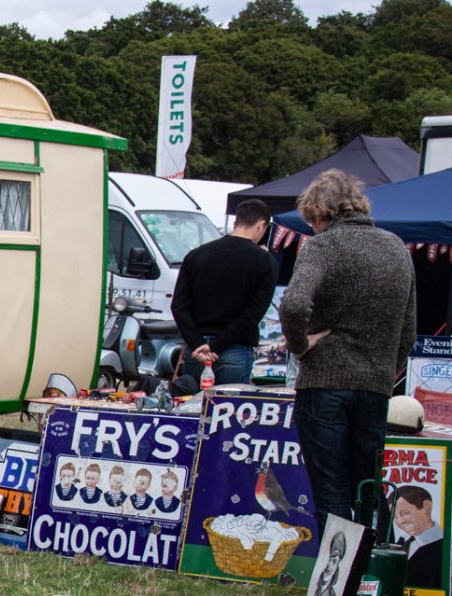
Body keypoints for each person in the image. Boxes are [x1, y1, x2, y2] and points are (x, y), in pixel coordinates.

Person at [279, 170, 416, 532]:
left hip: (324, 381)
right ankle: (374, 573)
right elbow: (408, 328)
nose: (313, 229)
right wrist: (385, 368)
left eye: (313, 222)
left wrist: (300, 346)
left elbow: (293, 305)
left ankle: (339, 581)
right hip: (375, 384)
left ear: (319, 213)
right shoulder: (396, 248)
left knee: (332, 491)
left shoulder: (322, 247)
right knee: (370, 487)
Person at [172, 198, 275, 386]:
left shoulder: (196, 255)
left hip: (196, 348)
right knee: (228, 410)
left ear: (235, 222)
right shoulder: (263, 261)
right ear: (261, 225)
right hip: (234, 348)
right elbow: (253, 314)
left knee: (191, 409)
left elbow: (179, 305)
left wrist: (197, 343)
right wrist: (215, 346)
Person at [393, 485, 444, 590]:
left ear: (427, 506)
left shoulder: (444, 547)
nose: (400, 521)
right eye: (395, 517)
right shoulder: (400, 544)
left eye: (405, 513)